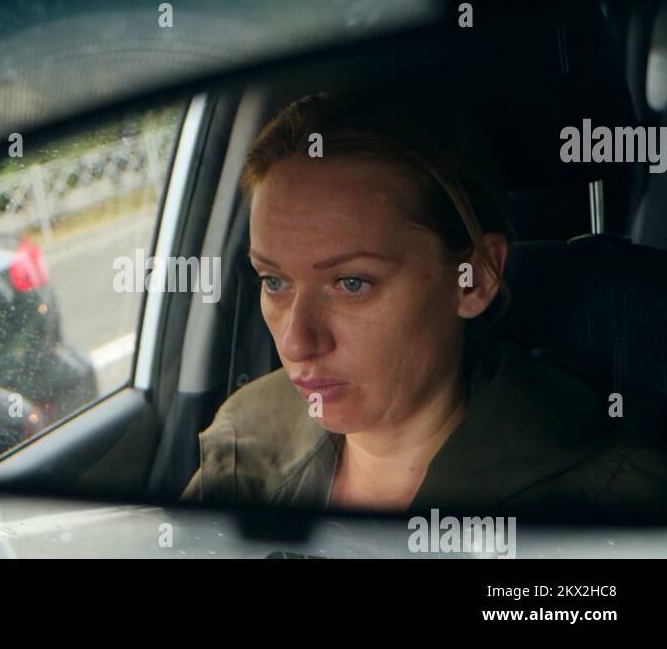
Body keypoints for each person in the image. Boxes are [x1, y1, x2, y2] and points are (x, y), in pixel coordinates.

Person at [180, 90, 667, 521]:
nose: (295, 341)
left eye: (351, 282)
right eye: (274, 281)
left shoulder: (603, 503)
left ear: (474, 279)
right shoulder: (245, 443)